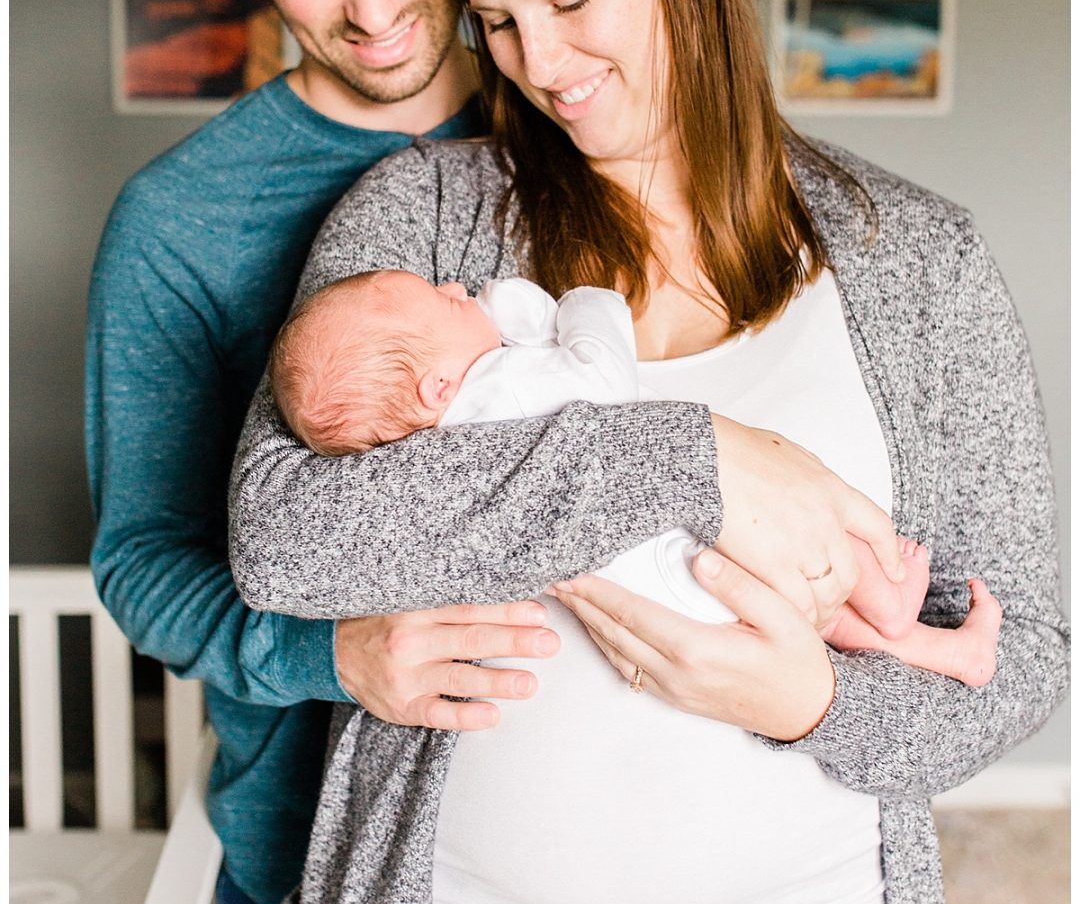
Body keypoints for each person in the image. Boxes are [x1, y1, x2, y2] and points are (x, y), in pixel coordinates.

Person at [228, 0, 1068, 904]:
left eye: (569, 2)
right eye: (497, 21)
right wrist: (689, 456)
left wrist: (808, 699)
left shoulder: (918, 266)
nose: (540, 63)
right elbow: (288, 538)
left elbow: (1027, 653)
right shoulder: (423, 219)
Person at [85, 0, 564, 904]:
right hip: (309, 867)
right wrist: (331, 652)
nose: (369, 5)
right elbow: (141, 563)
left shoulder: (582, 130)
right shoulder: (179, 224)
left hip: (579, 883)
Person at [268, 266, 1001, 683]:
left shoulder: (430, 449)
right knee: (814, 536)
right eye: (443, 298)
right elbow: (602, 382)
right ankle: (895, 600)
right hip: (684, 556)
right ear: (434, 387)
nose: (460, 286)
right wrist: (591, 302)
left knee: (814, 618)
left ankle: (935, 647)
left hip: (661, 602)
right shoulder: (505, 386)